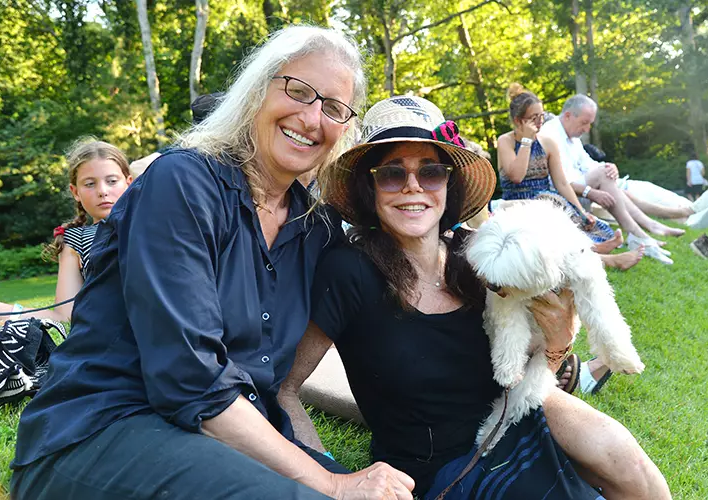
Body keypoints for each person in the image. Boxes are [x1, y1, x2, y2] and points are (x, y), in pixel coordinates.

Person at [11, 26, 415, 500]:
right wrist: (330, 482)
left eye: (333, 107)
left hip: (231, 439)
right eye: (299, 91)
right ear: (256, 91)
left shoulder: (315, 226)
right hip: (103, 429)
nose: (311, 118)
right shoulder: (182, 183)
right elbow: (190, 380)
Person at [279, 96, 672, 500]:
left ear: (450, 183)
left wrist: (558, 345)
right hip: (441, 467)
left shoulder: (481, 254)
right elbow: (285, 388)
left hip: (513, 412)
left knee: (629, 464)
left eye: (430, 172)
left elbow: (529, 361)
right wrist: (331, 477)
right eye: (392, 174)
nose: (413, 186)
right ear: (370, 187)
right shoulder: (348, 272)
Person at [540, 95, 708, 265]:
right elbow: (558, 181)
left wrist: (609, 166)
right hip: (564, 196)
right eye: (584, 123)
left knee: (608, 175)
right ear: (568, 115)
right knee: (612, 180)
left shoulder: (572, 137)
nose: (587, 129)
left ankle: (651, 228)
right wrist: (591, 190)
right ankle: (645, 232)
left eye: (590, 124)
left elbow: (588, 164)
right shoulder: (550, 135)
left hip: (589, 190)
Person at [496, 84, 642, 272]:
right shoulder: (505, 141)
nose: (540, 123)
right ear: (518, 120)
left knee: (591, 226)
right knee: (548, 229)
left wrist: (581, 211)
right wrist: (526, 141)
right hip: (518, 204)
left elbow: (562, 183)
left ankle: (594, 250)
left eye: (542, 116)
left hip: (547, 201)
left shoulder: (548, 143)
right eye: (533, 118)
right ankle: (606, 259)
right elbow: (516, 176)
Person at [0, 139, 132, 324]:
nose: (102, 191)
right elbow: (66, 315)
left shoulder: (151, 225)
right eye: (90, 184)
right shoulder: (75, 240)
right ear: (75, 192)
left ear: (129, 183)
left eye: (112, 181)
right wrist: (5, 311)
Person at [583, 144, 708, 227]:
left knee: (668, 196)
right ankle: (691, 217)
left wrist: (612, 167)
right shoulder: (571, 170)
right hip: (624, 190)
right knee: (662, 201)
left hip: (628, 184)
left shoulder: (579, 154)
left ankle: (695, 209)